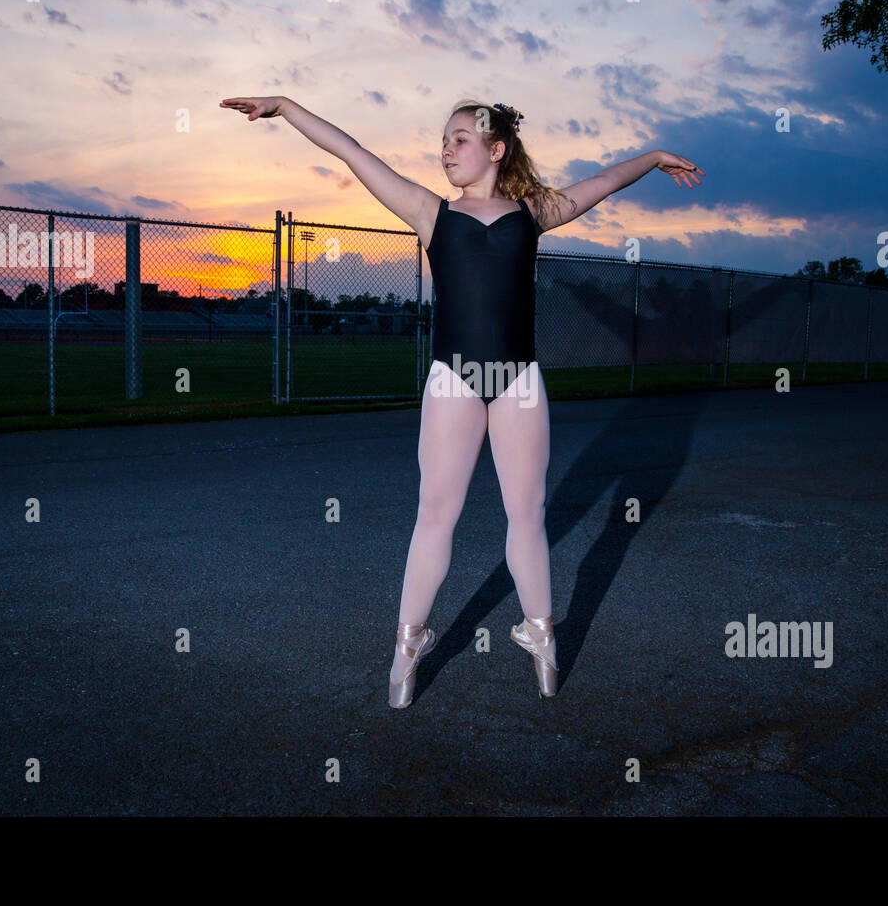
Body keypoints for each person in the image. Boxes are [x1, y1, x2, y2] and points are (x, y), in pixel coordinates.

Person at [220, 94, 703, 707]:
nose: (445, 149)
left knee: (524, 515)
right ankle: (418, 641)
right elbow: (349, 150)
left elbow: (605, 181)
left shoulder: (536, 211)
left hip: (517, 383)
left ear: (495, 149)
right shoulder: (431, 211)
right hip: (460, 379)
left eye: (459, 139)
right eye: (442, 141)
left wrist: (655, 156)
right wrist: (287, 108)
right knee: (443, 514)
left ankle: (532, 635)